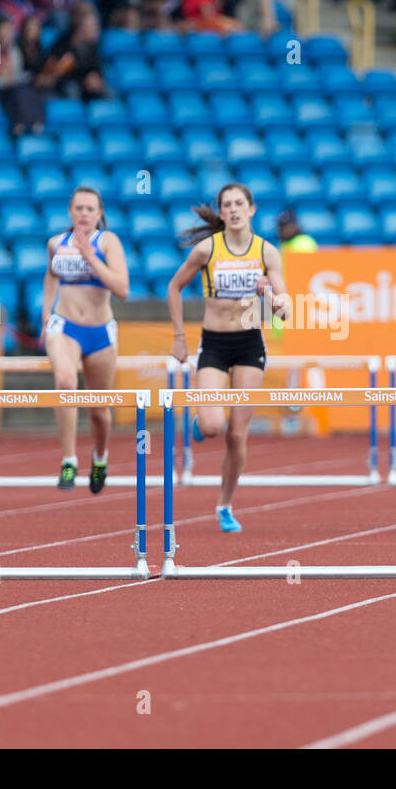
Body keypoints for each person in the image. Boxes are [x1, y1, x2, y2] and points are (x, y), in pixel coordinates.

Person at [166, 183, 291, 533]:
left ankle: (224, 504)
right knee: (211, 427)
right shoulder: (207, 249)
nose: (234, 209)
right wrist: (179, 338)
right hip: (215, 344)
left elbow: (285, 313)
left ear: (251, 209)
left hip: (250, 344)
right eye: (227, 205)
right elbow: (174, 287)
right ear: (221, 213)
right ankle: (203, 418)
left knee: (237, 434)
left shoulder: (267, 253)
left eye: (240, 203)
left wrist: (270, 297)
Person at [41, 187, 130, 491]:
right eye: (78, 208)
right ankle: (68, 461)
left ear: (100, 214)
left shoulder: (108, 242)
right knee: (66, 383)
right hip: (65, 327)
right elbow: (51, 275)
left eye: (90, 209)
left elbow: (122, 288)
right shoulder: (56, 243)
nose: (84, 214)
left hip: (100, 332)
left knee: (98, 411)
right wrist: (45, 314)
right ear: (70, 211)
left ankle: (100, 457)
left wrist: (91, 258)